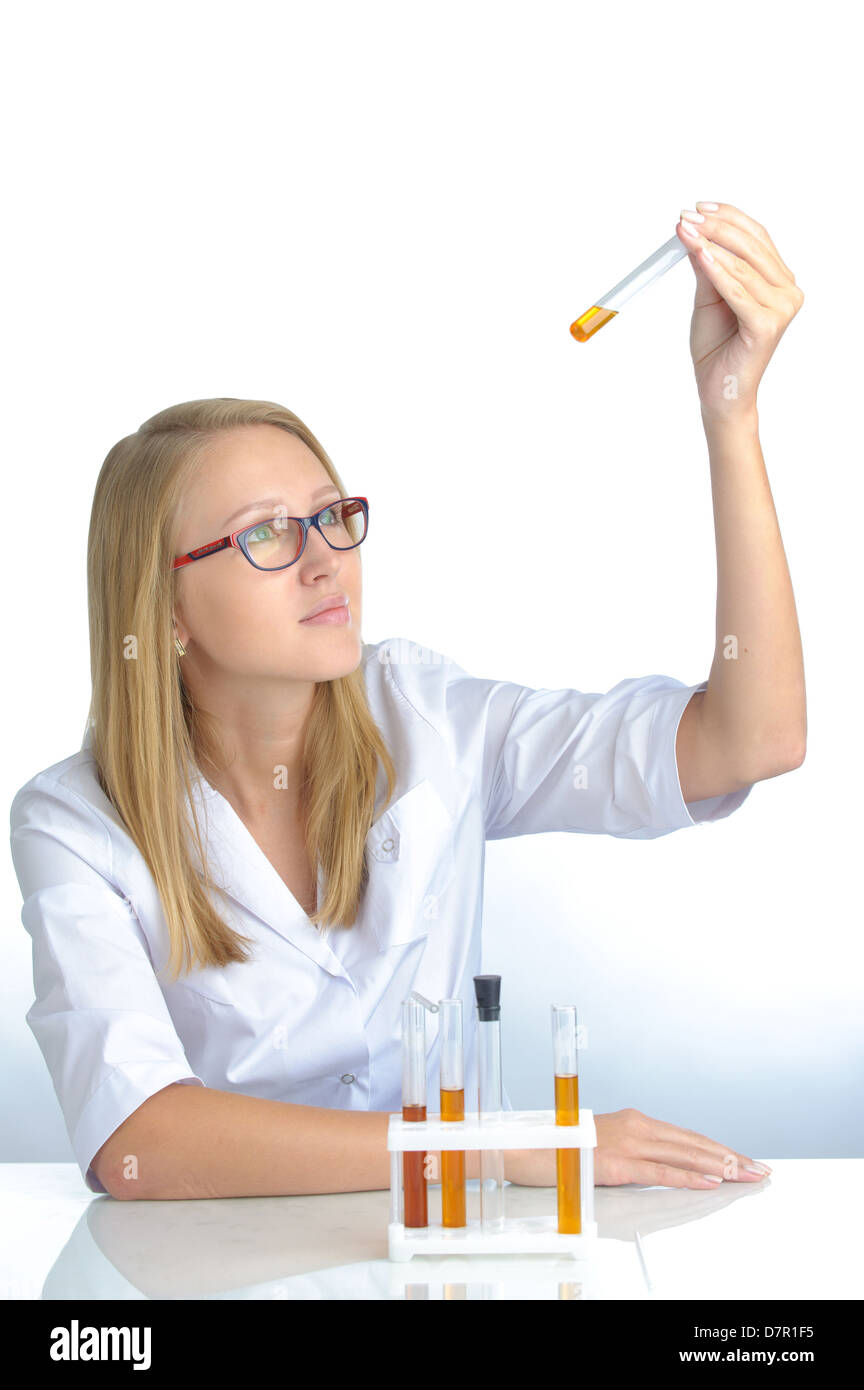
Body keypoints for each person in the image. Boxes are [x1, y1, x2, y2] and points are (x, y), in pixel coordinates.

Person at [9, 206, 806, 1202]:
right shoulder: (74, 821)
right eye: (267, 535)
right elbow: (140, 1144)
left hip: (437, 1267)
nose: (323, 559)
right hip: (219, 1277)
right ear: (164, 610)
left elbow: (752, 739)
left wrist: (730, 414)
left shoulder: (427, 716)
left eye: (333, 517)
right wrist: (503, 1148)